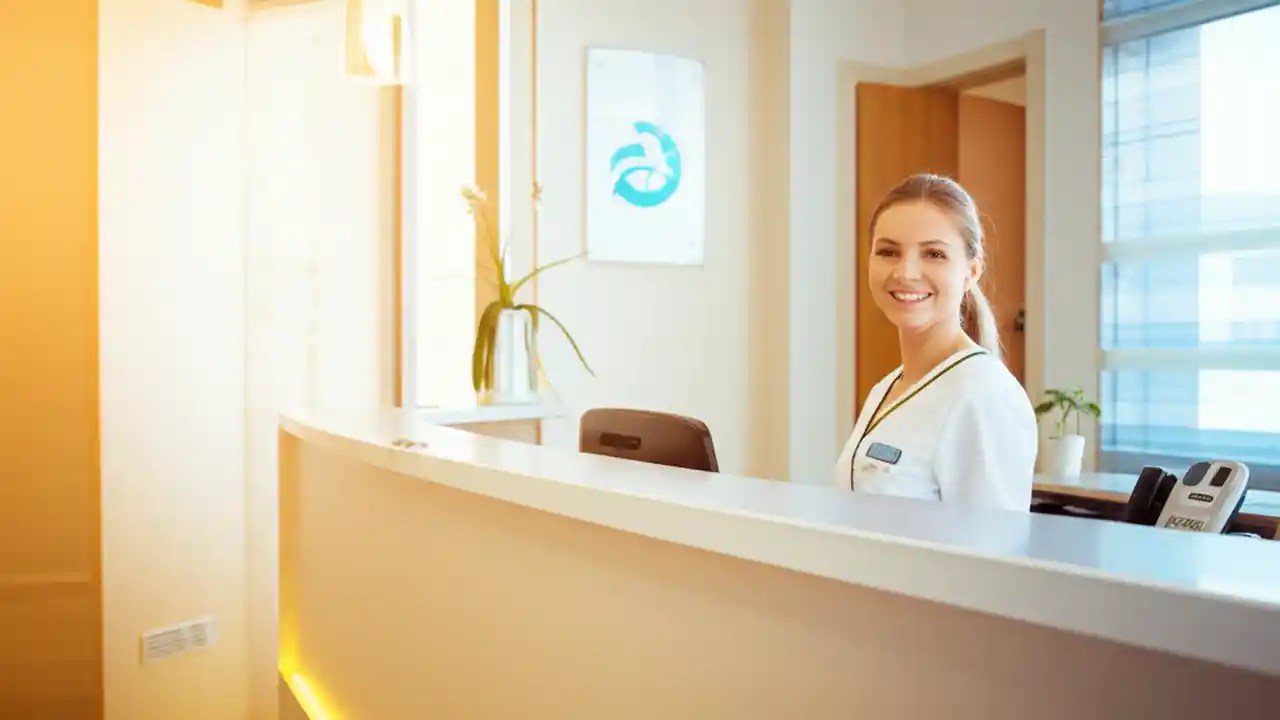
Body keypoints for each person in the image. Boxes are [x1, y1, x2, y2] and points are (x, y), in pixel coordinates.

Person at [834, 173, 1037, 511]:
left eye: (934, 254)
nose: (906, 272)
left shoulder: (983, 396)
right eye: (888, 251)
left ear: (971, 272)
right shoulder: (888, 389)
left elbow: (994, 556)